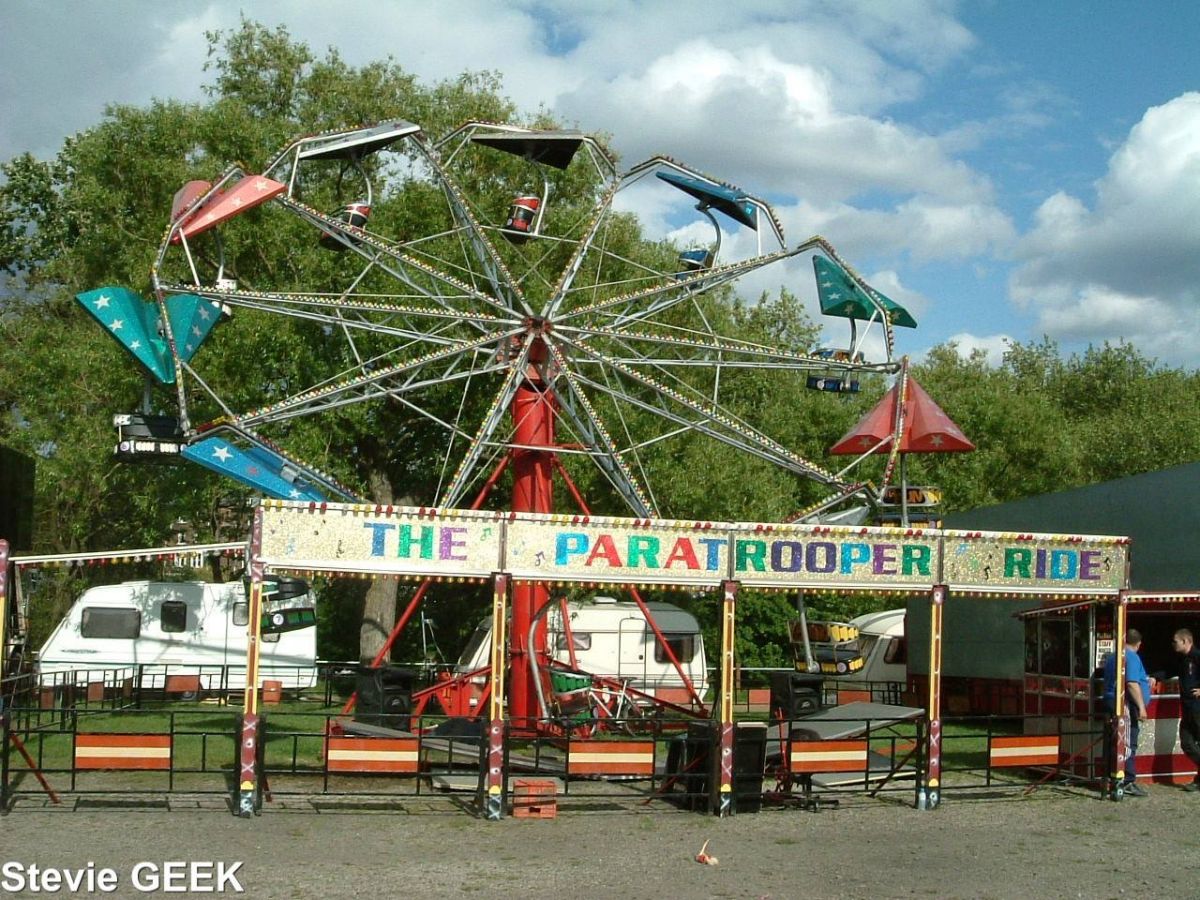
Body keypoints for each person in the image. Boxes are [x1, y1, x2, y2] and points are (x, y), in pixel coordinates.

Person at [1102, 629, 1153, 796]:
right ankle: (1127, 780)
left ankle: (1112, 777)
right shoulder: (1131, 657)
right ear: (1138, 644)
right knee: (1127, 742)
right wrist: (1142, 707)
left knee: (1114, 741)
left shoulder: (1112, 657)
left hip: (1111, 701)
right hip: (1125, 705)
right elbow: (1131, 683)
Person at [1171, 628, 1200, 792]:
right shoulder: (1182, 660)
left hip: (1198, 708)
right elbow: (1169, 671)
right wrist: (1155, 677)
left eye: (1175, 641)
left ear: (1185, 641)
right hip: (1188, 708)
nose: (1173, 644)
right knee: (1187, 743)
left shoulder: (1197, 657)